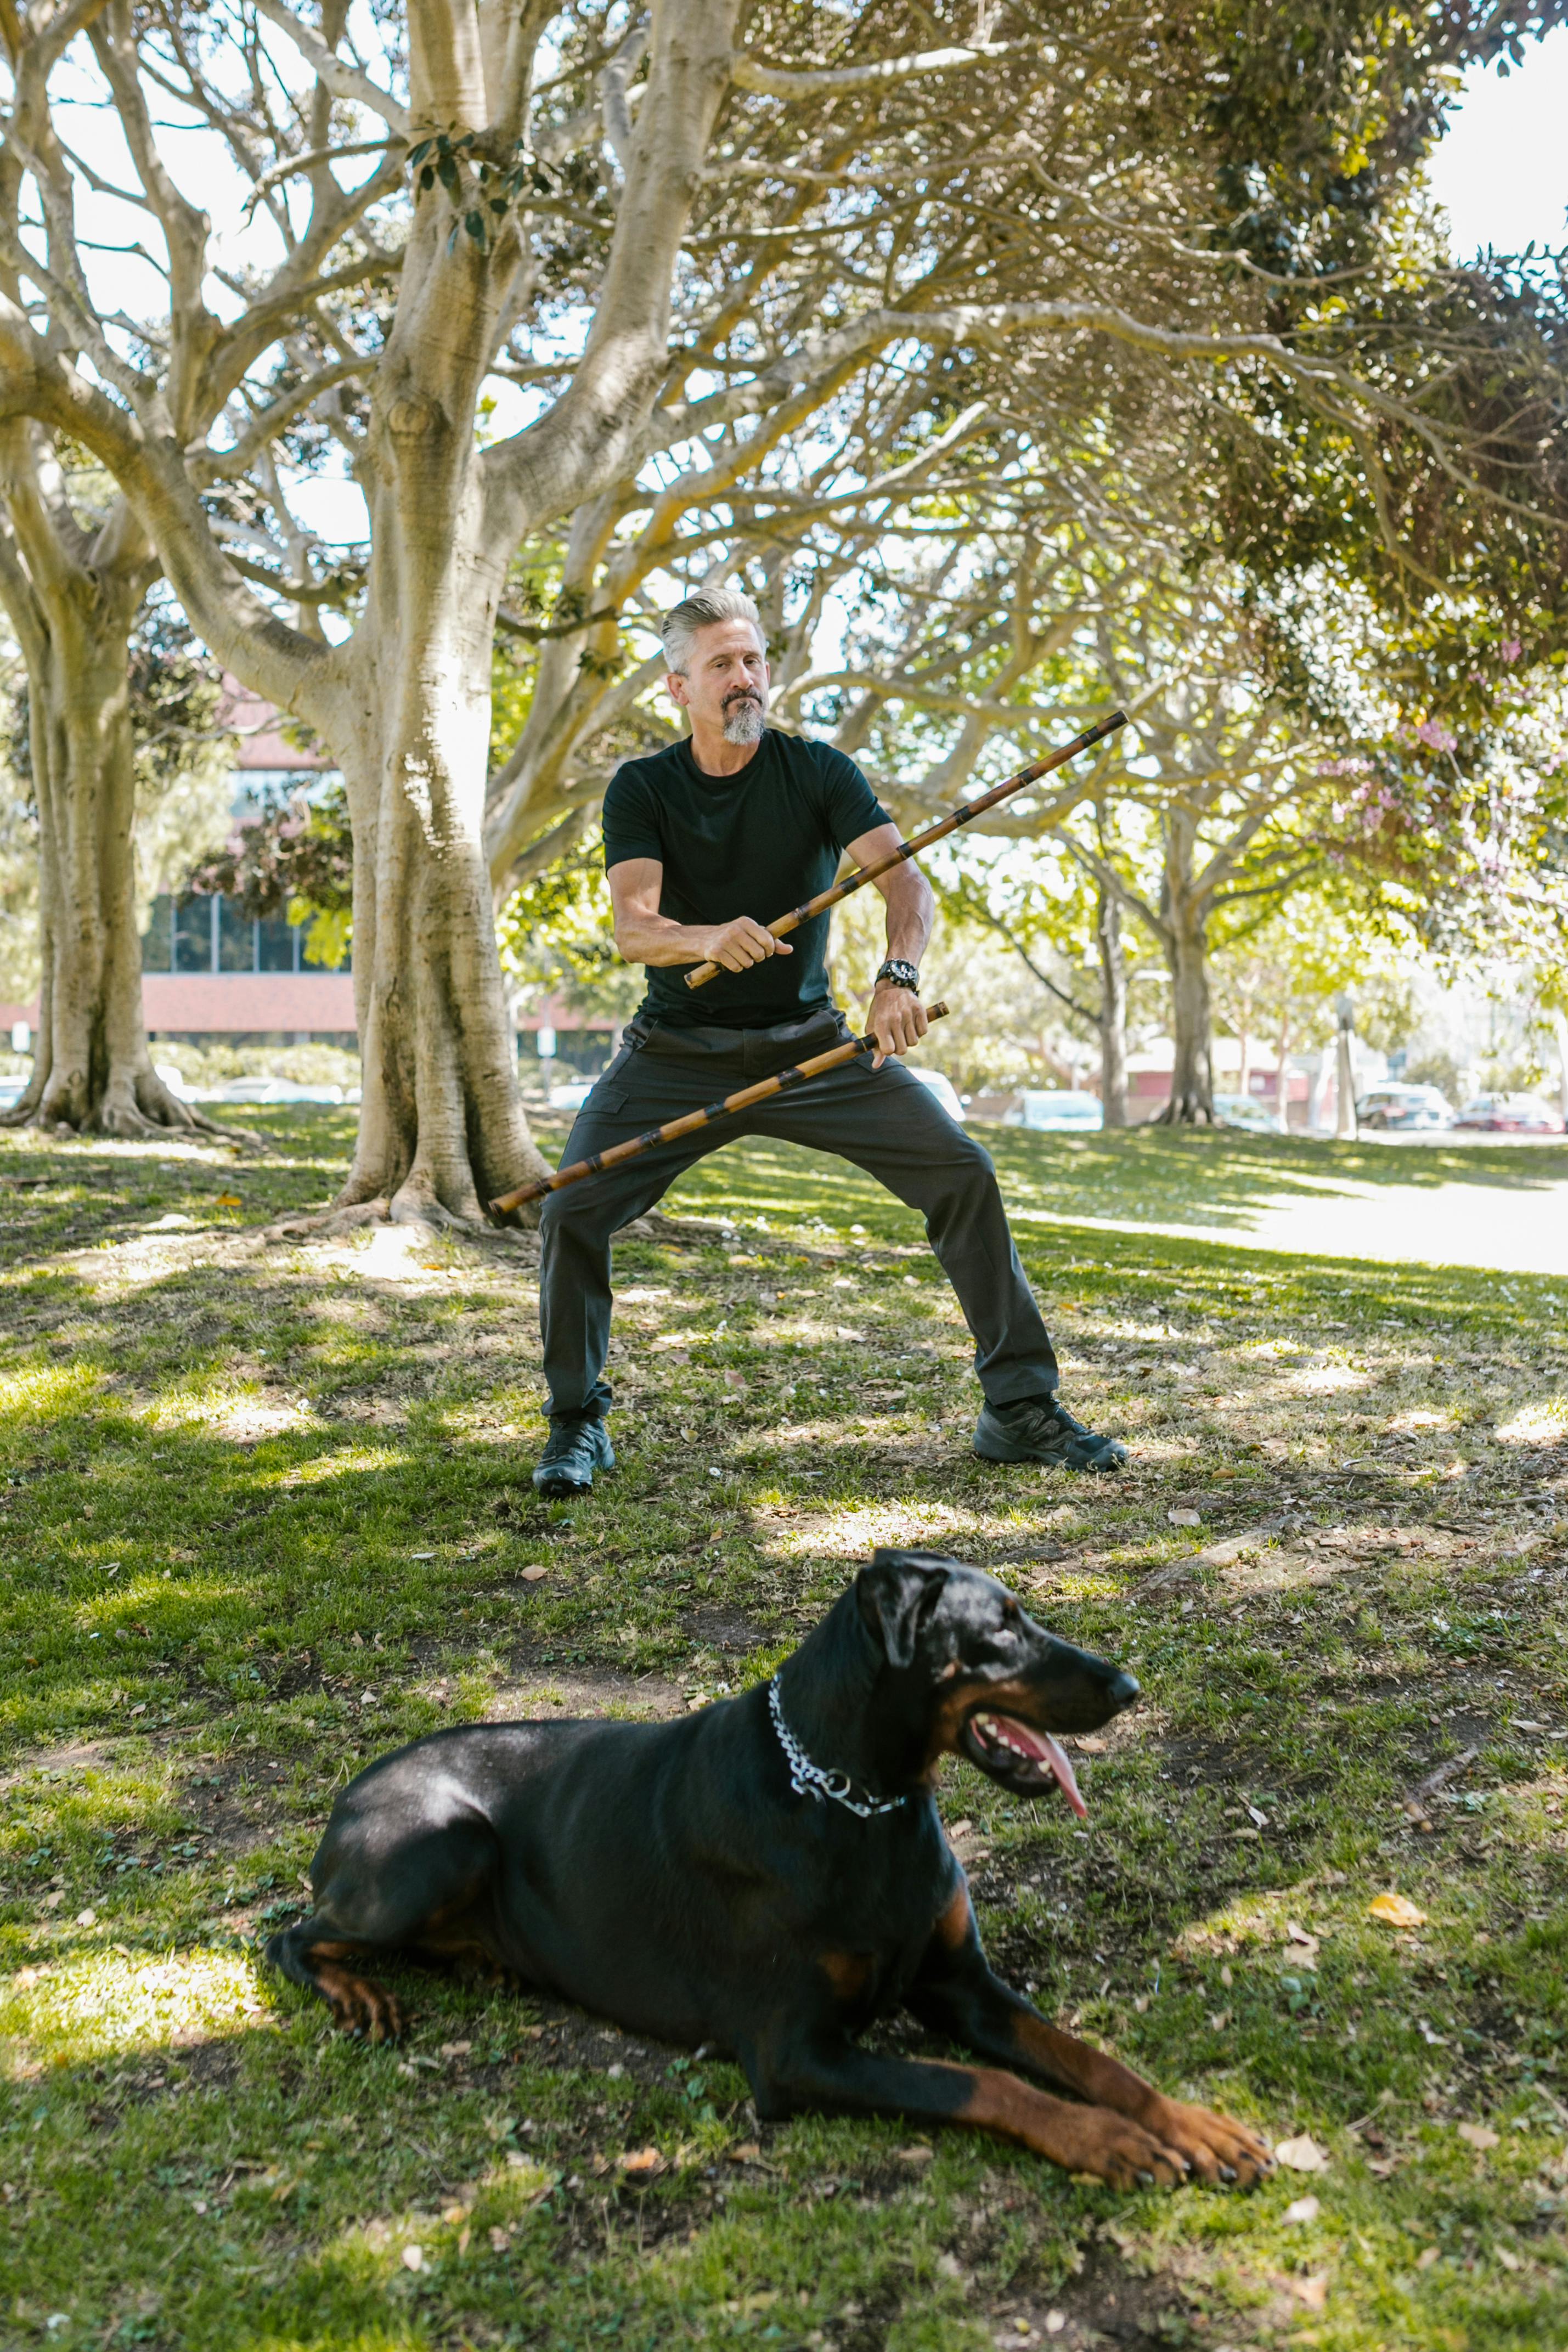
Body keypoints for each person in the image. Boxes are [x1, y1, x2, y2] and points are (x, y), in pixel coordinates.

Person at [531, 587, 1127, 1497]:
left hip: (809, 1049)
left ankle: (1016, 1408)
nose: (744, 678)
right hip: (674, 1054)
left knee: (960, 1171)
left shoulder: (816, 772)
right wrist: (704, 938)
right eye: (722, 664)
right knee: (572, 1211)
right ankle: (576, 1423)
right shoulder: (643, 788)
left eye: (753, 659)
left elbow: (905, 891)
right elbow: (635, 927)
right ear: (677, 688)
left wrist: (897, 979)